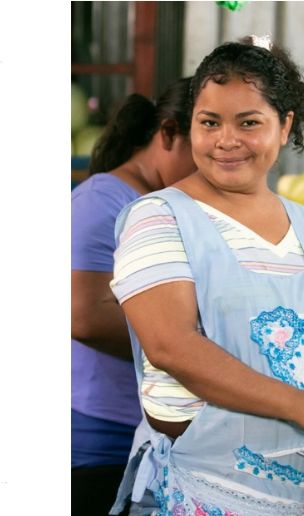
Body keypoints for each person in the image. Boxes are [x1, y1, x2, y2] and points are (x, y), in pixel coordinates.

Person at [108, 39, 304, 516]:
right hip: (204, 494)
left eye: (249, 123)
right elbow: (169, 344)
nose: (227, 140)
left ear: (284, 126)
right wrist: (298, 404)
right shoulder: (159, 217)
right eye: (209, 123)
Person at [71, 77, 197, 515]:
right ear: (167, 134)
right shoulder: (102, 199)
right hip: (101, 434)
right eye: (201, 148)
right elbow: (81, 315)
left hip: (153, 430)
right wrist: (196, 348)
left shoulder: (171, 205)